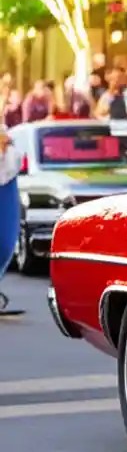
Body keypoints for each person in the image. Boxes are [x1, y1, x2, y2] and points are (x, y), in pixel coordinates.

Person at [0, 124, 23, 315]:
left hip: (5, 189)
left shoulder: (5, 134)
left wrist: (5, 147)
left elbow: (15, 161)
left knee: (5, 243)